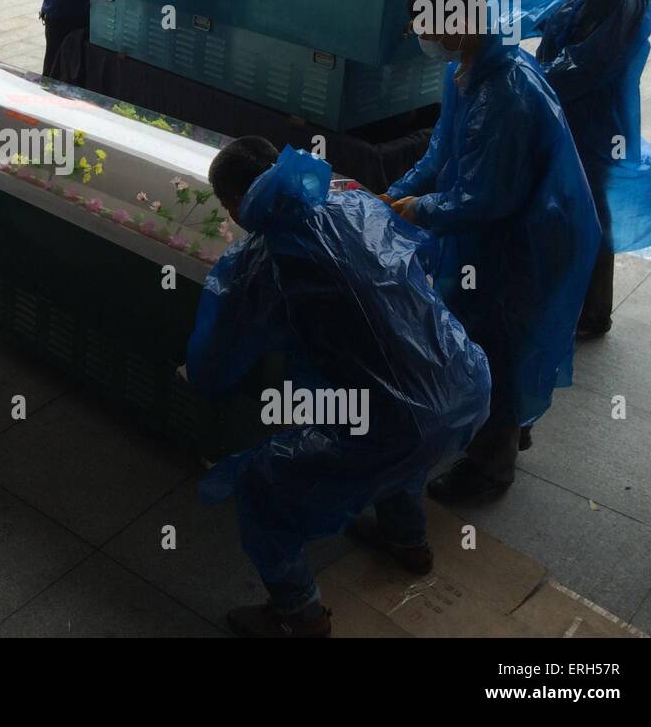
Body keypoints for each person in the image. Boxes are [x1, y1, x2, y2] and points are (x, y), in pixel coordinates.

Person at [186, 140, 491, 638]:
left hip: (404, 421)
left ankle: (299, 616)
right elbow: (418, 259)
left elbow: (212, 369)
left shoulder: (259, 262)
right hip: (466, 381)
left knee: (264, 491)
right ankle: (406, 539)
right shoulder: (354, 202)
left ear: (236, 205)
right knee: (400, 420)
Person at [383, 0, 599, 500]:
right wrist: (394, 193)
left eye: (425, 28)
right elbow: (442, 152)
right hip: (500, 229)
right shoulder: (470, 69)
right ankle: (507, 429)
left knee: (496, 345)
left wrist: (417, 209)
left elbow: (486, 199)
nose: (423, 40)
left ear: (454, 28)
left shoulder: (504, 92)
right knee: (495, 338)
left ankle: (488, 470)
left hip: (524, 238)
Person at [520, 0, 651, 338]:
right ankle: (562, 297)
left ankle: (592, 314)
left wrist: (529, 83)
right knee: (567, 200)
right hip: (568, 105)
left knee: (591, 207)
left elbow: (587, 66)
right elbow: (554, 16)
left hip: (597, 116)